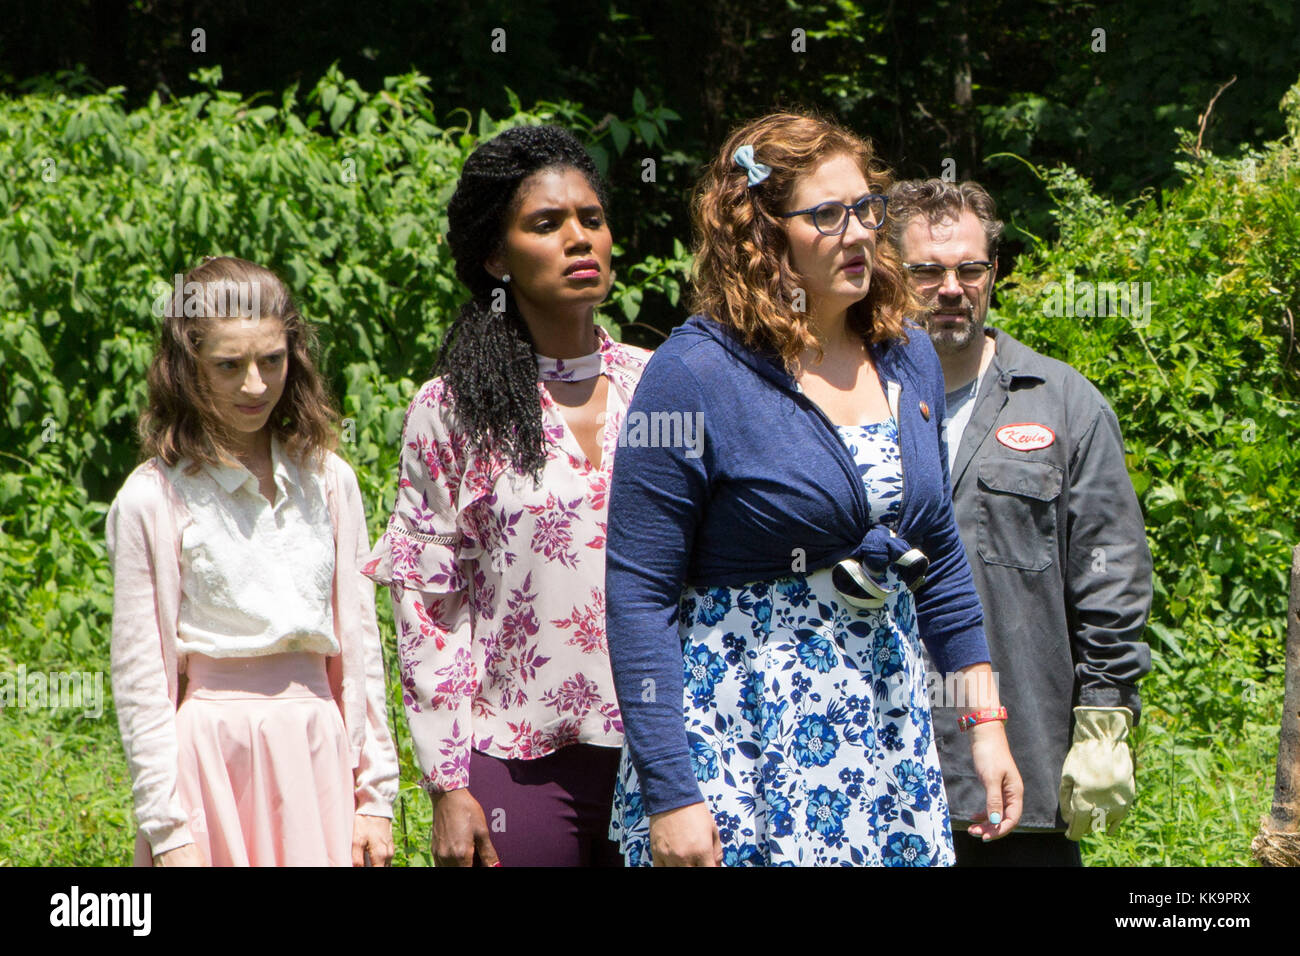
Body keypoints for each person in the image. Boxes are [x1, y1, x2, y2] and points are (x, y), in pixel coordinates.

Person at [605, 112, 1022, 867]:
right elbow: (637, 594)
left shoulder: (907, 356)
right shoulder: (691, 376)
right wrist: (671, 793)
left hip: (883, 735)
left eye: (866, 208)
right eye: (827, 215)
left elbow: (941, 559)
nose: (860, 231)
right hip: (736, 746)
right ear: (762, 233)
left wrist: (985, 723)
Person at [363, 125, 651, 867]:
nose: (579, 239)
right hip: (515, 761)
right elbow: (429, 607)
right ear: (497, 258)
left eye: (591, 219)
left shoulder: (662, 387)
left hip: (663, 756)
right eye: (546, 224)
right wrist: (445, 783)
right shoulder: (451, 408)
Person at [886, 179, 1153, 865]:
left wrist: (1105, 720)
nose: (951, 288)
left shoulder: (1064, 404)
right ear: (891, 272)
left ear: (993, 272)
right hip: (873, 768)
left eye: (969, 268)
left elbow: (1111, 574)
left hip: (1020, 768)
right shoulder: (843, 402)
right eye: (927, 271)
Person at [107, 256, 399, 867]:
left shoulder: (330, 480)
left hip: (319, 752)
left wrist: (376, 797)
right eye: (229, 365)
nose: (255, 385)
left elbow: (360, 650)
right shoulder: (152, 496)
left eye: (272, 360)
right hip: (210, 765)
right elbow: (143, 680)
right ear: (186, 369)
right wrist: (169, 832)